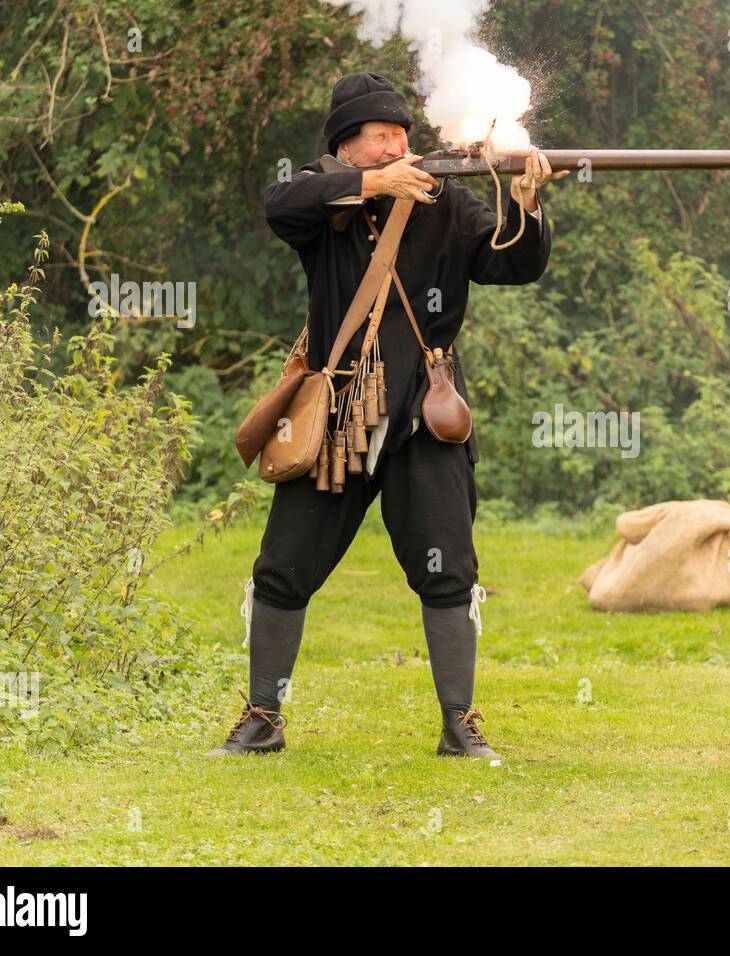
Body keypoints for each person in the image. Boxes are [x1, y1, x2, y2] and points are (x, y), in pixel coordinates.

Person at [208, 71, 564, 758]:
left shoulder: (448, 203)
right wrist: (376, 187)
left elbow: (511, 265)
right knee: (283, 568)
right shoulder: (323, 194)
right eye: (382, 137)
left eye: (402, 135)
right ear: (347, 145)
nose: (398, 146)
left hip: (423, 415)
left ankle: (459, 725)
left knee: (448, 571)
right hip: (336, 418)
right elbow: (283, 203)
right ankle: (262, 718)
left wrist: (526, 207)